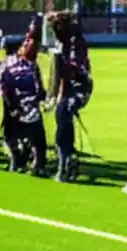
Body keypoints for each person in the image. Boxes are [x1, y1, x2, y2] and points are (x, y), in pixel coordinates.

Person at [47, 11, 91, 183]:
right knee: (64, 125)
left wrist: (59, 95)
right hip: (74, 89)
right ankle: (69, 160)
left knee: (61, 130)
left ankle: (64, 167)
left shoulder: (72, 44)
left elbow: (70, 72)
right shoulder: (69, 41)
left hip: (75, 90)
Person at [0, 32, 47, 176]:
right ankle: (37, 166)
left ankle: (15, 162)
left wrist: (12, 106)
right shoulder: (31, 65)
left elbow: (3, 88)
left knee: (11, 135)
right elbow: (40, 89)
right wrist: (40, 98)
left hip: (14, 106)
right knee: (38, 140)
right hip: (29, 107)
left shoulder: (4, 64)